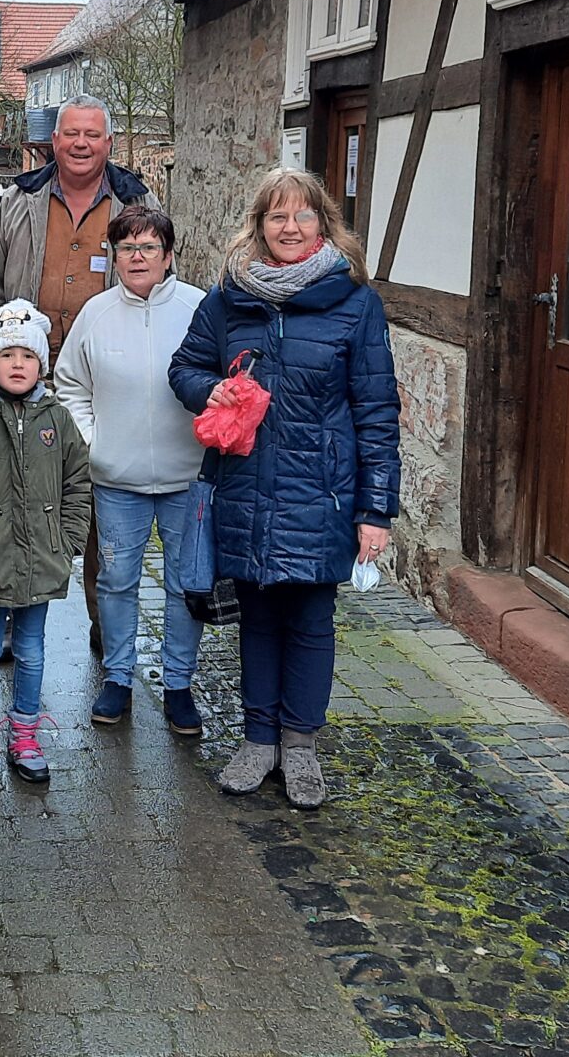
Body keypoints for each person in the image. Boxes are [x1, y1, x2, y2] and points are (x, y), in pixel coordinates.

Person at [168, 167, 400, 809]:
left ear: (323, 223)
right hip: (244, 485)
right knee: (258, 617)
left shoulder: (355, 302)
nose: (290, 227)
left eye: (302, 215)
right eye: (277, 216)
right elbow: (184, 367)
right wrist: (210, 389)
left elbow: (377, 411)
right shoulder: (229, 298)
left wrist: (375, 510)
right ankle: (258, 741)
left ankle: (300, 747)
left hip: (322, 492)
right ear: (260, 225)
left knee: (310, 620)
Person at [0, 95, 155, 657]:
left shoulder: (136, 200)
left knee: (97, 500)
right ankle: (9, 615)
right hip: (25, 373)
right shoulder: (20, 200)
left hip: (104, 376)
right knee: (13, 492)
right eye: (71, 133)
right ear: (54, 141)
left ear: (109, 142)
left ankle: (104, 623)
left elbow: (159, 278)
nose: (81, 144)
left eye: (92, 134)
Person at [55, 205, 209, 735]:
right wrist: (93, 442)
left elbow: (223, 380)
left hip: (188, 476)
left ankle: (179, 684)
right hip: (116, 478)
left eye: (148, 248)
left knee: (185, 583)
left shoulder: (198, 309)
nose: (137, 257)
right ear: (114, 256)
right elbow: (70, 384)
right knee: (116, 579)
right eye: (126, 248)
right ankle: (118, 676)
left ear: (168, 255)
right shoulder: (96, 314)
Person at [0, 300, 91, 784]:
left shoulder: (57, 419)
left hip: (42, 556)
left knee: (31, 648)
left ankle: (24, 733)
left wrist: (68, 539)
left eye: (27, 356)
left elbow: (78, 481)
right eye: (7, 356)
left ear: (41, 364)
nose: (18, 365)